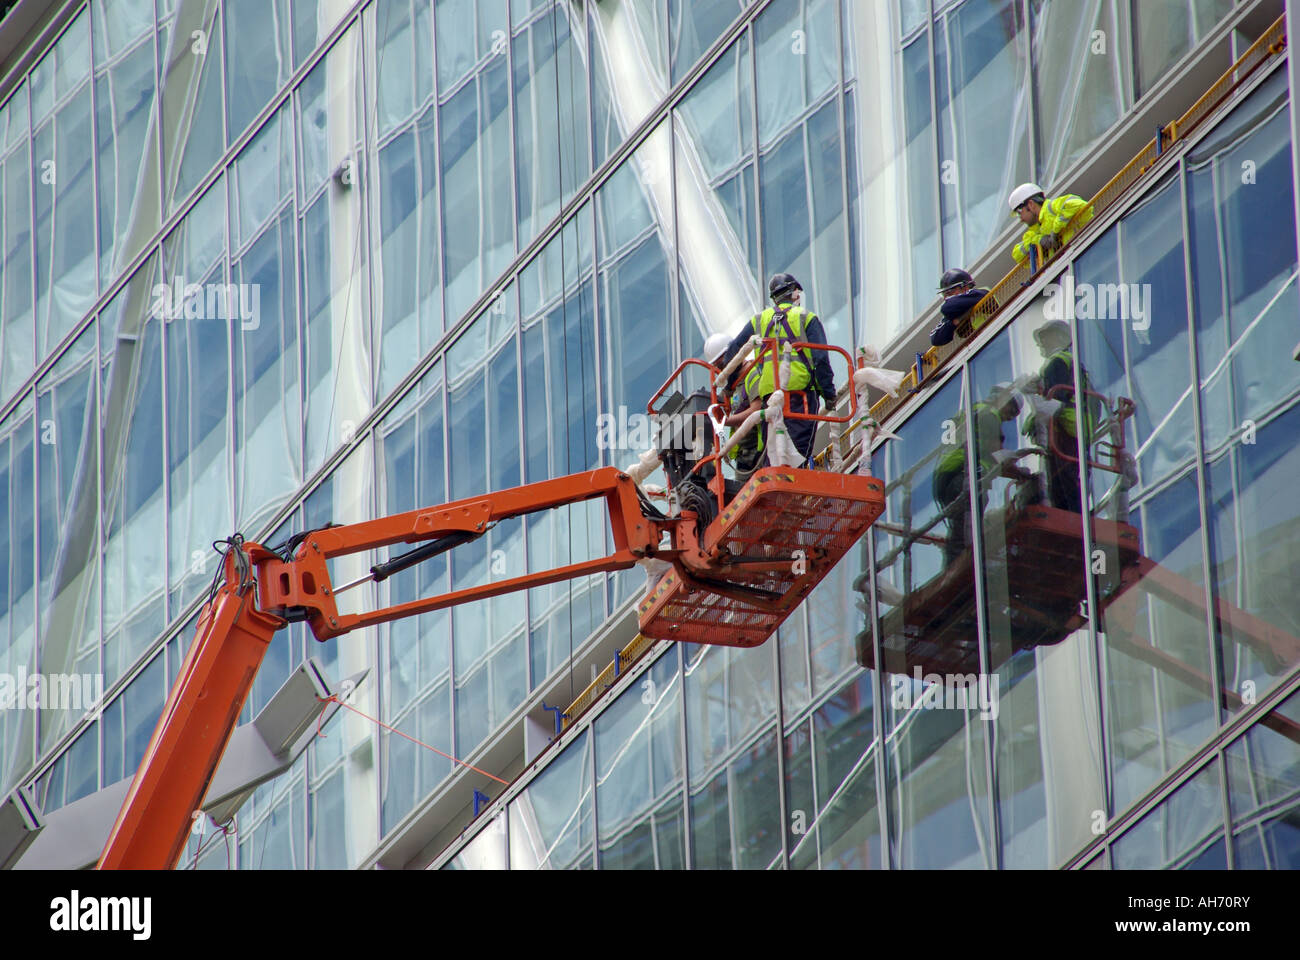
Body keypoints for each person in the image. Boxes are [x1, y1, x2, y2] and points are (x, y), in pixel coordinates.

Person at [716, 273, 837, 466]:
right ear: (794, 293)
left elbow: (732, 351)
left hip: (769, 398)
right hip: (799, 396)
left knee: (773, 453)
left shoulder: (760, 319)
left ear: (774, 297)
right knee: (797, 456)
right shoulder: (806, 317)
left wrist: (729, 388)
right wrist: (829, 395)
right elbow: (821, 359)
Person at [931, 384, 1031, 566]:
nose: (1009, 418)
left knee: (961, 523)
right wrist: (1020, 472)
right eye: (1012, 411)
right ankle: (959, 564)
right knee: (970, 515)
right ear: (1004, 398)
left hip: (947, 477)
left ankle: (956, 562)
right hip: (960, 475)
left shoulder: (974, 411)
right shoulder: (989, 415)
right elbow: (996, 455)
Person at [1021, 319, 1097, 513]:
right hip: (1076, 425)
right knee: (1073, 475)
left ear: (1060, 338)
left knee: (1063, 476)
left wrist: (1034, 416)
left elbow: (1056, 396)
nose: (1041, 343)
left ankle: (1071, 515)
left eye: (1045, 338)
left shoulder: (1057, 361)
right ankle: (1076, 514)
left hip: (1066, 426)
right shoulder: (1073, 362)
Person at [1008, 183, 1094, 265]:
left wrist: (1056, 230)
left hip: (1085, 253)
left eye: (1019, 212)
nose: (1021, 219)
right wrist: (1039, 240)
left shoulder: (1052, 207)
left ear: (1031, 204)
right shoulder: (1037, 230)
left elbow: (1078, 204)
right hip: (1066, 266)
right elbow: (1017, 254)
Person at [929, 268, 993, 346]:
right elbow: (935, 338)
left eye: (949, 292)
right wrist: (952, 322)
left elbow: (946, 308)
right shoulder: (955, 311)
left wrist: (956, 320)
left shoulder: (980, 293)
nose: (946, 297)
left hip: (997, 334)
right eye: (944, 294)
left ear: (965, 287)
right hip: (982, 347)